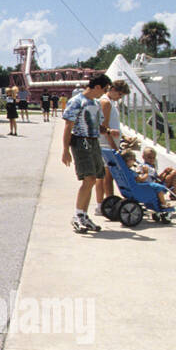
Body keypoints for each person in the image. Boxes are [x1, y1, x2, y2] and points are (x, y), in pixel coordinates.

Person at [62, 74, 111, 233]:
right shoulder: (77, 101)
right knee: (88, 178)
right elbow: (68, 127)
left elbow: (98, 125)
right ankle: (77, 215)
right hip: (80, 142)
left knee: (93, 179)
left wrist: (110, 131)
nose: (104, 93)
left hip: (93, 141)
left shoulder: (96, 103)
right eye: (104, 89)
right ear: (97, 86)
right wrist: (65, 150)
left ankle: (83, 214)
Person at [94, 79, 127, 214]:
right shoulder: (106, 102)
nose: (120, 98)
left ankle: (106, 202)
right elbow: (104, 127)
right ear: (112, 89)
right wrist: (114, 145)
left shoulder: (110, 102)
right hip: (106, 144)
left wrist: (123, 137)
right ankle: (103, 204)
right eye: (120, 94)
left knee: (107, 175)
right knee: (104, 176)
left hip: (108, 143)